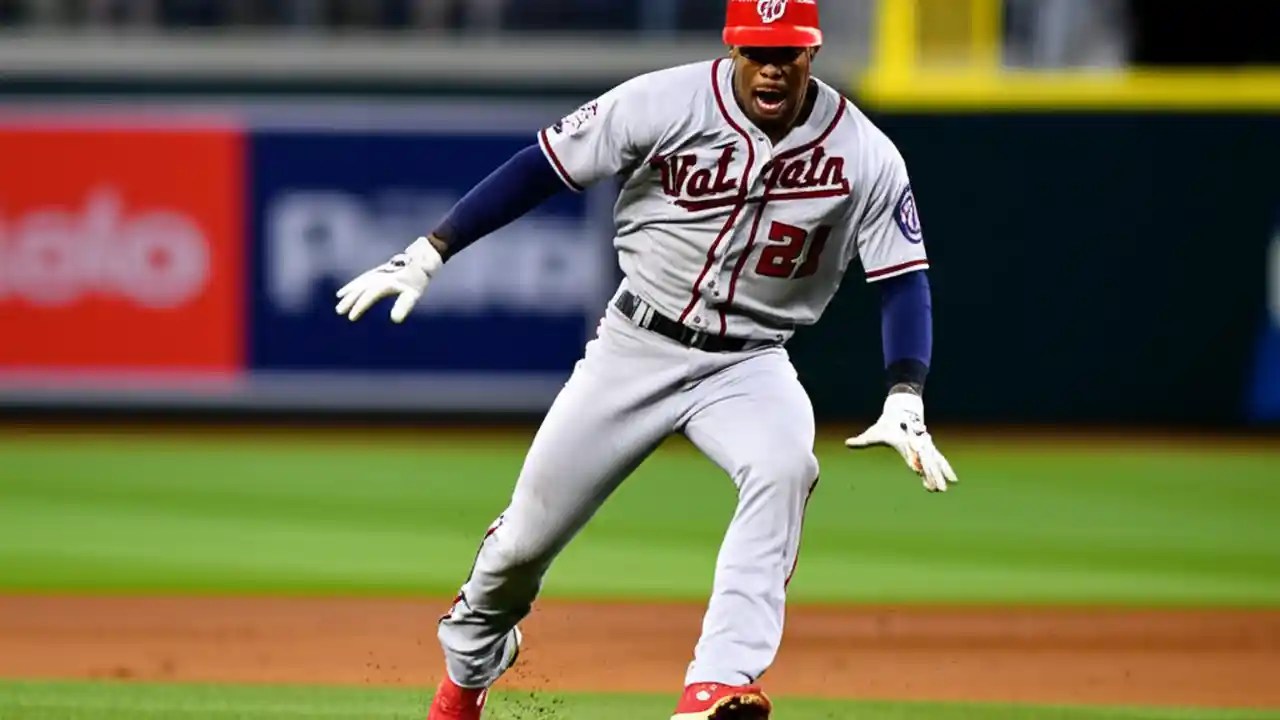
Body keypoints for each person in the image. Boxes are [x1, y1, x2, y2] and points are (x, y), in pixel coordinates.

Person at [336, 1, 957, 717]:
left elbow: (903, 276)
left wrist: (905, 391)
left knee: (786, 466)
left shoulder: (866, 153)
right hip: (636, 345)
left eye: (787, 52)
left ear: (811, 55)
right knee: (521, 547)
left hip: (749, 362)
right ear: (733, 48)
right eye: (757, 50)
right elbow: (542, 166)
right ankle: (465, 677)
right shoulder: (663, 101)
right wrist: (430, 250)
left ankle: (719, 680)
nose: (771, 67)